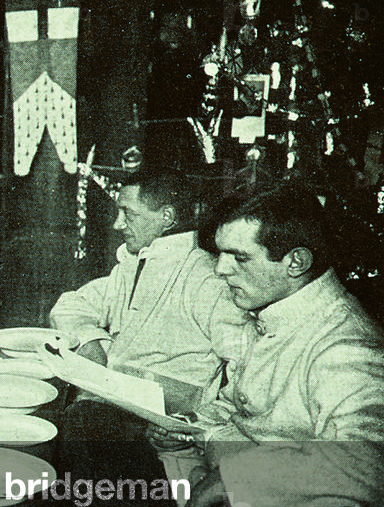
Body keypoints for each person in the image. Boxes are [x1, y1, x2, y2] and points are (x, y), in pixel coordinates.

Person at [144, 181, 384, 507]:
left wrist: (234, 478)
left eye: (239, 257)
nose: (221, 270)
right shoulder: (279, 312)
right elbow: (251, 405)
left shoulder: (346, 349)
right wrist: (194, 428)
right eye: (220, 255)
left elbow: (382, 461)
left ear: (296, 262)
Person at [50, 167, 249, 411]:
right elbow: (70, 305)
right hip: (110, 401)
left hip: (165, 424)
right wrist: (92, 345)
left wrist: (203, 421)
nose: (117, 224)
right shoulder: (134, 264)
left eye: (128, 214)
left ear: (167, 217)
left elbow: (245, 360)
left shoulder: (207, 278)